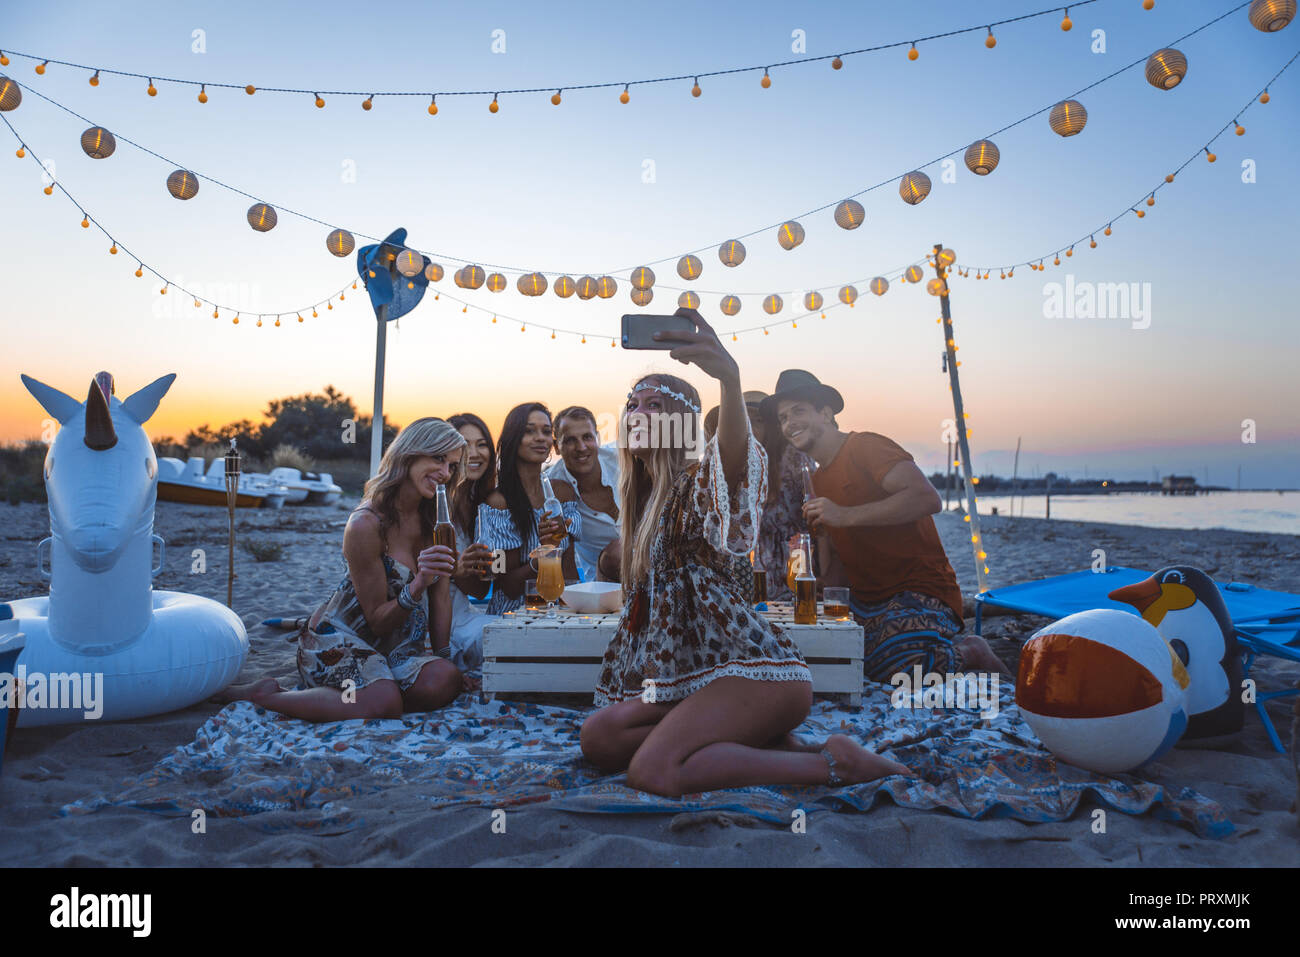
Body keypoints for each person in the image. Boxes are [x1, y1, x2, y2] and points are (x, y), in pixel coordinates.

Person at [579, 309, 908, 796]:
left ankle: (836, 765)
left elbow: (732, 463)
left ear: (678, 424)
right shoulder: (644, 503)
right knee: (599, 738)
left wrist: (729, 382)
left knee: (653, 773)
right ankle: (777, 749)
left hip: (755, 674)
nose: (637, 413)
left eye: (653, 404)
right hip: (697, 679)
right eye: (633, 403)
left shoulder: (697, 483)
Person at [762, 369, 1006, 683]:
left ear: (825, 413)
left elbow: (927, 498)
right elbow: (836, 556)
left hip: (919, 590)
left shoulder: (864, 447)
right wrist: (818, 586)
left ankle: (973, 651)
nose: (789, 423)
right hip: (865, 601)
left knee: (895, 665)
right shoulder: (817, 481)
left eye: (798, 411)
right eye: (782, 418)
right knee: (816, 650)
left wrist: (845, 515)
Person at [215, 418, 467, 718]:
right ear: (410, 453)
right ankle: (267, 695)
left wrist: (443, 659)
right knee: (385, 701)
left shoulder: (436, 521)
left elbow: (440, 599)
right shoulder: (366, 524)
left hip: (397, 648)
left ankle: (362, 693)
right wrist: (418, 583)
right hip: (340, 638)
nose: (445, 473)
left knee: (445, 680)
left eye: (452, 466)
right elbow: (377, 622)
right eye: (438, 458)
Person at [479, 402, 583, 614]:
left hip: (560, 609)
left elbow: (569, 567)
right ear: (513, 439)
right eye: (529, 431)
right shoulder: (498, 503)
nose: (540, 438)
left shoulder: (562, 492)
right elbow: (507, 585)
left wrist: (576, 608)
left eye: (546, 431)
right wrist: (546, 553)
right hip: (513, 613)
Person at [745, 390, 816, 602]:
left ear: (772, 426)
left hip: (793, 565)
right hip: (751, 572)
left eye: (758, 420)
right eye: (744, 420)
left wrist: (823, 572)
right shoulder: (734, 463)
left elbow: (816, 519)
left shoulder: (794, 457)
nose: (750, 427)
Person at [445, 412, 500, 673]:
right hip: (425, 618)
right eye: (465, 445)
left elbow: (478, 592)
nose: (475, 453)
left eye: (482, 444)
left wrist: (482, 568)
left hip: (462, 616)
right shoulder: (432, 502)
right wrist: (455, 568)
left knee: (519, 636)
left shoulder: (479, 505)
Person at [545, 405, 620, 582]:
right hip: (602, 583)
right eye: (570, 440)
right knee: (617, 552)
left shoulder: (624, 460)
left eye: (587, 437)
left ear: (598, 438)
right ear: (556, 447)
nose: (581, 447)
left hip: (650, 571)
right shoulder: (552, 488)